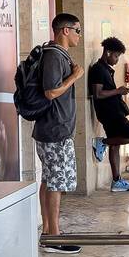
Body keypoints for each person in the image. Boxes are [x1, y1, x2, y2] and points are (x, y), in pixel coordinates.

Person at [34, 13, 85, 245]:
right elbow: (51, 91)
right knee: (56, 181)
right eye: (77, 30)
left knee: (49, 179)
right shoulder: (54, 56)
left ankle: (48, 229)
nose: (79, 36)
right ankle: (54, 234)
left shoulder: (58, 55)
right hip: (55, 129)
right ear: (65, 30)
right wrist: (74, 76)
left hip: (52, 128)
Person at [89, 37, 129, 192]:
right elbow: (97, 94)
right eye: (116, 56)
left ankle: (116, 180)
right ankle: (102, 142)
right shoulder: (98, 69)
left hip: (113, 110)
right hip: (111, 113)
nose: (117, 60)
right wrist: (118, 91)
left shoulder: (106, 69)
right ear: (108, 52)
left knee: (115, 145)